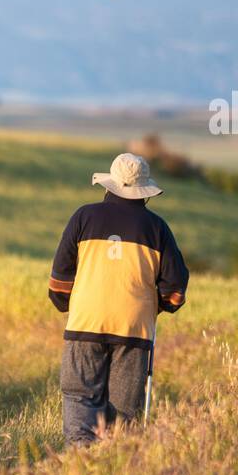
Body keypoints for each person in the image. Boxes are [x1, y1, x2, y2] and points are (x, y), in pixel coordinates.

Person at [47, 153, 189, 445]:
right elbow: (175, 289)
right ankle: (116, 471)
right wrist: (155, 306)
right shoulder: (157, 228)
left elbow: (60, 279)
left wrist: (67, 303)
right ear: (144, 192)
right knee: (124, 412)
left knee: (80, 397)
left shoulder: (84, 217)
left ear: (109, 186)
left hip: (86, 322)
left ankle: (81, 467)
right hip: (134, 329)